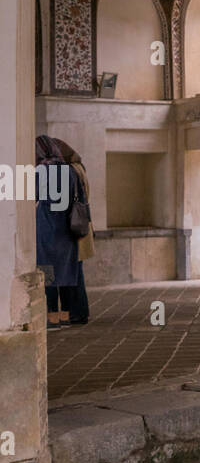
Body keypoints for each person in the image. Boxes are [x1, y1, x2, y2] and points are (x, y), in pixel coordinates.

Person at [35, 135, 80, 328]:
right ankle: (65, 316)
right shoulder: (70, 171)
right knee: (67, 272)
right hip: (68, 228)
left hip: (46, 227)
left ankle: (52, 317)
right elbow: (80, 197)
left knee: (48, 273)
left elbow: (32, 195)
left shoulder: (40, 170)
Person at [54, 139, 93, 324]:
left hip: (73, 228)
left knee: (74, 276)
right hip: (79, 227)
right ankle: (78, 312)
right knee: (75, 274)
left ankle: (78, 313)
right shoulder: (79, 167)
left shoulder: (70, 171)